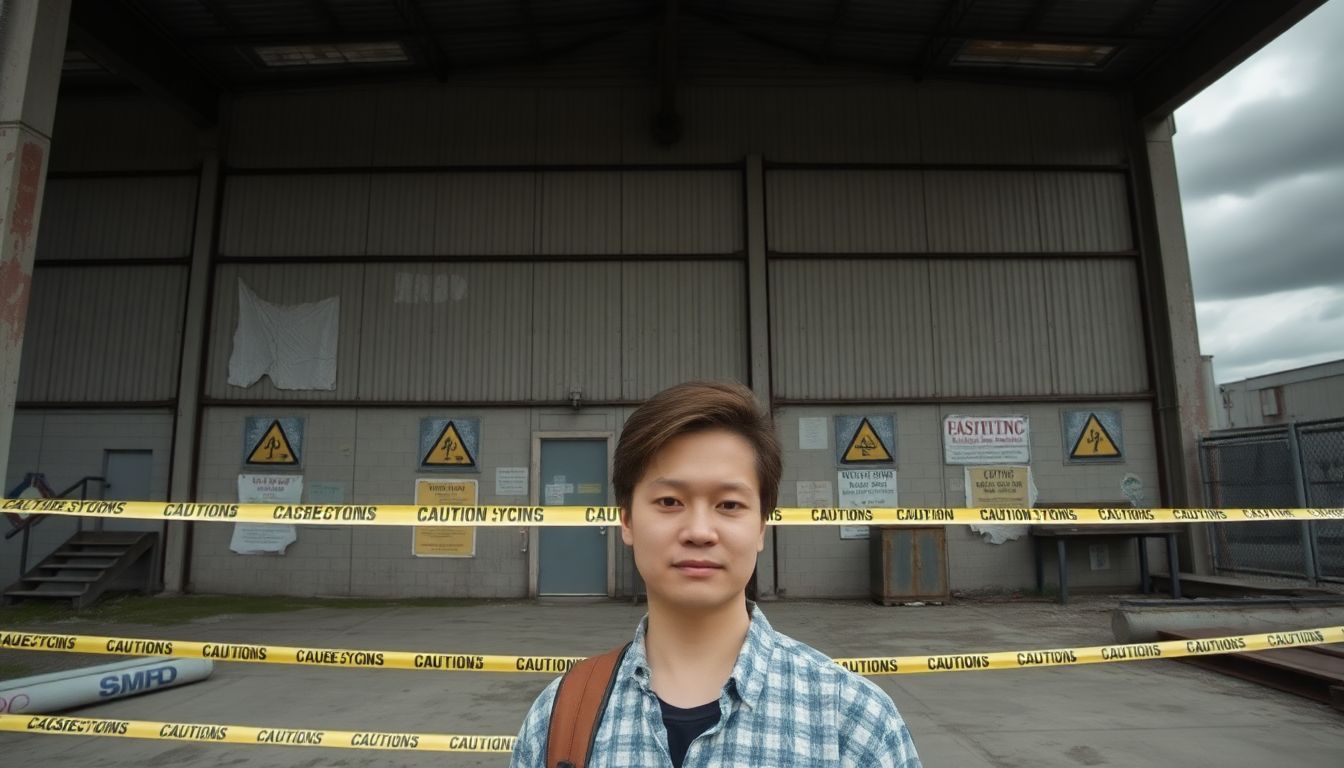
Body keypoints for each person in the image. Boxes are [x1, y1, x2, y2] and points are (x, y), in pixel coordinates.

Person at [510, 381, 921, 767]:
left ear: (761, 526)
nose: (700, 532)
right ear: (627, 520)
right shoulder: (562, 716)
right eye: (670, 501)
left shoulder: (852, 719)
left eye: (729, 505)